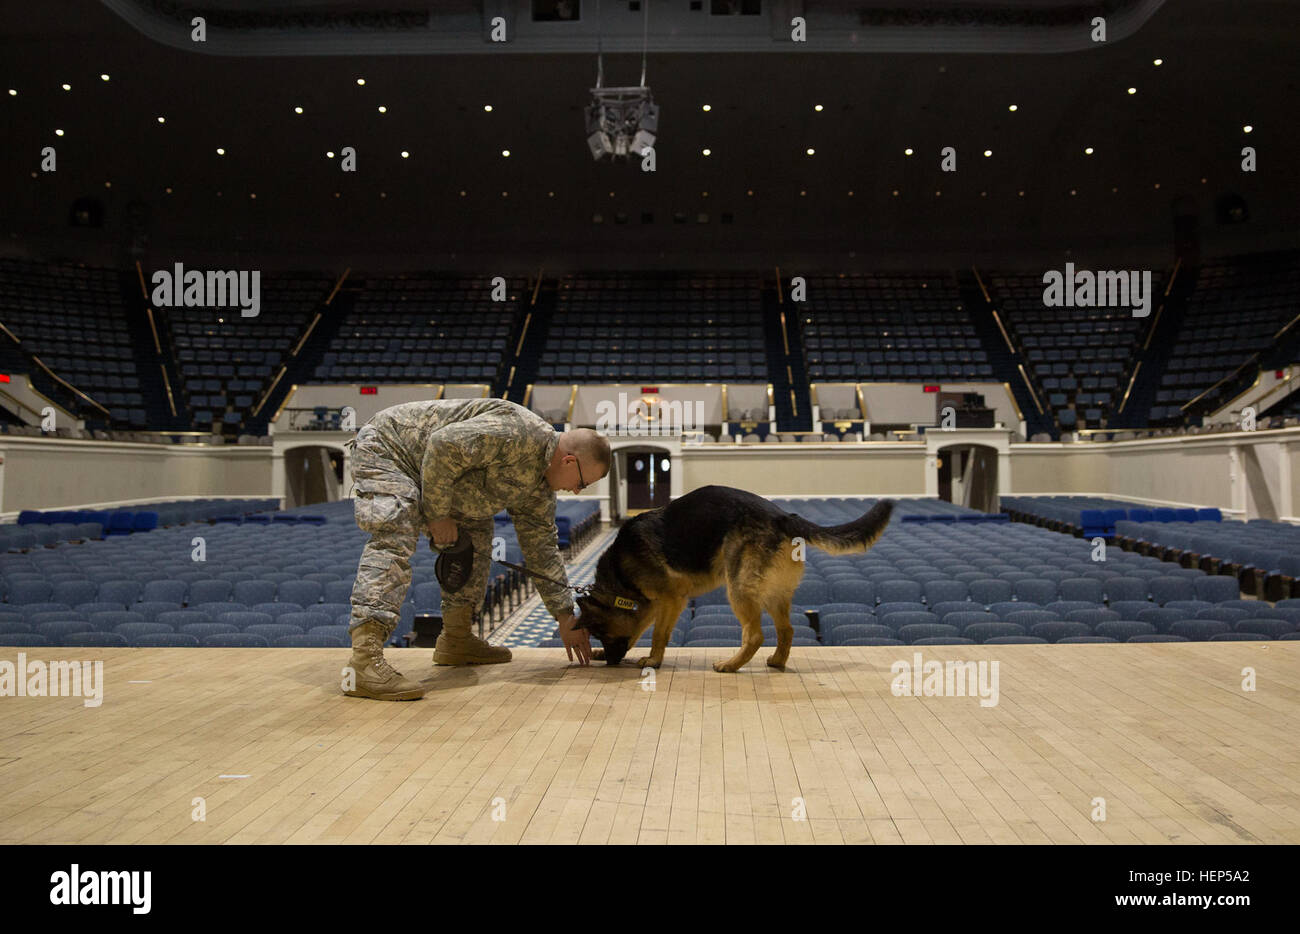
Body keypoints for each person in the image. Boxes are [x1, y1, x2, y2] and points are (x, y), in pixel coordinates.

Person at [343, 397, 610, 700]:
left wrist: (565, 616)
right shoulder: (518, 433)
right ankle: (364, 661)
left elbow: (542, 548)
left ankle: (456, 640)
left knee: (477, 530)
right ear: (568, 461)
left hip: (436, 472)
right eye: (582, 483)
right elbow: (442, 445)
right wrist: (438, 514)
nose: (576, 491)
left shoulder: (539, 487)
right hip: (389, 449)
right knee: (397, 526)